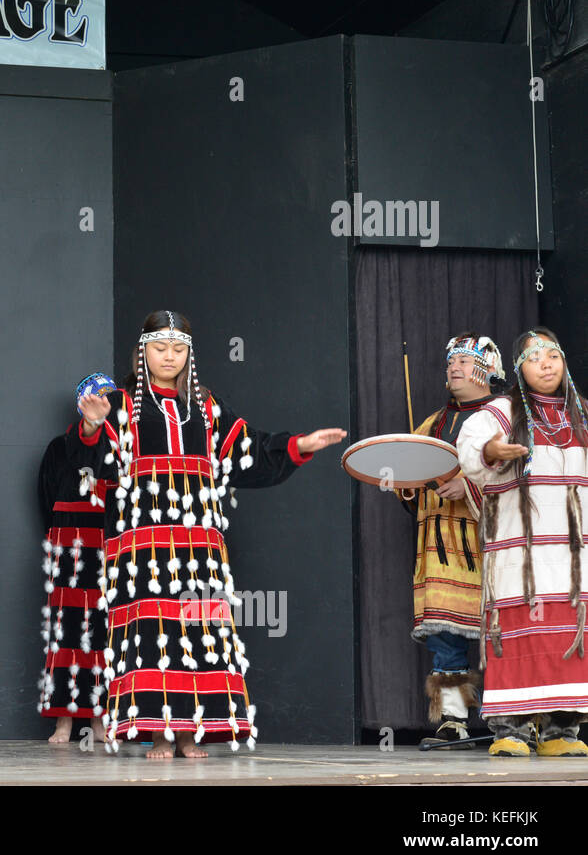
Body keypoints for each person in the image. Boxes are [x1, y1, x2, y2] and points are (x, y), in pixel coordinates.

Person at [70, 310, 345, 757]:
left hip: (199, 544)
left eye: (179, 349)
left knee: (197, 629)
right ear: (143, 351)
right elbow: (92, 466)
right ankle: (159, 733)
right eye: (160, 348)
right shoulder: (119, 404)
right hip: (142, 544)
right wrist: (92, 425)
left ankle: (187, 732)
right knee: (152, 633)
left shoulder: (206, 406)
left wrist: (299, 446)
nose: (169, 357)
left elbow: (245, 451)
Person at [457, 327, 588, 756]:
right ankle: (509, 731)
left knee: (569, 639)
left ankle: (560, 733)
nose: (546, 362)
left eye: (553, 353)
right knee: (517, 637)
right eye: (534, 357)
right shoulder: (502, 410)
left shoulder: (582, 414)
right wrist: (493, 452)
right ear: (518, 369)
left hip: (572, 560)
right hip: (520, 558)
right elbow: (470, 447)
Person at [399, 334, 503, 747]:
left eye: (463, 360)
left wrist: (470, 488)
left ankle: (510, 717)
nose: (454, 368)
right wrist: (406, 485)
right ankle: (452, 718)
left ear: (485, 368)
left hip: (490, 545)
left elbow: (521, 476)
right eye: (450, 362)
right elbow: (407, 475)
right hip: (438, 548)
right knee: (445, 638)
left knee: (499, 632)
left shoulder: (504, 419)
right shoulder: (433, 424)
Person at [37, 374, 112, 744]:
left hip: (109, 548)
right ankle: (63, 720)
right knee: (66, 634)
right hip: (69, 548)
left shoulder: (121, 449)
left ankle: (99, 719)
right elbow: (46, 499)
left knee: (103, 633)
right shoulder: (59, 447)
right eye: (94, 398)